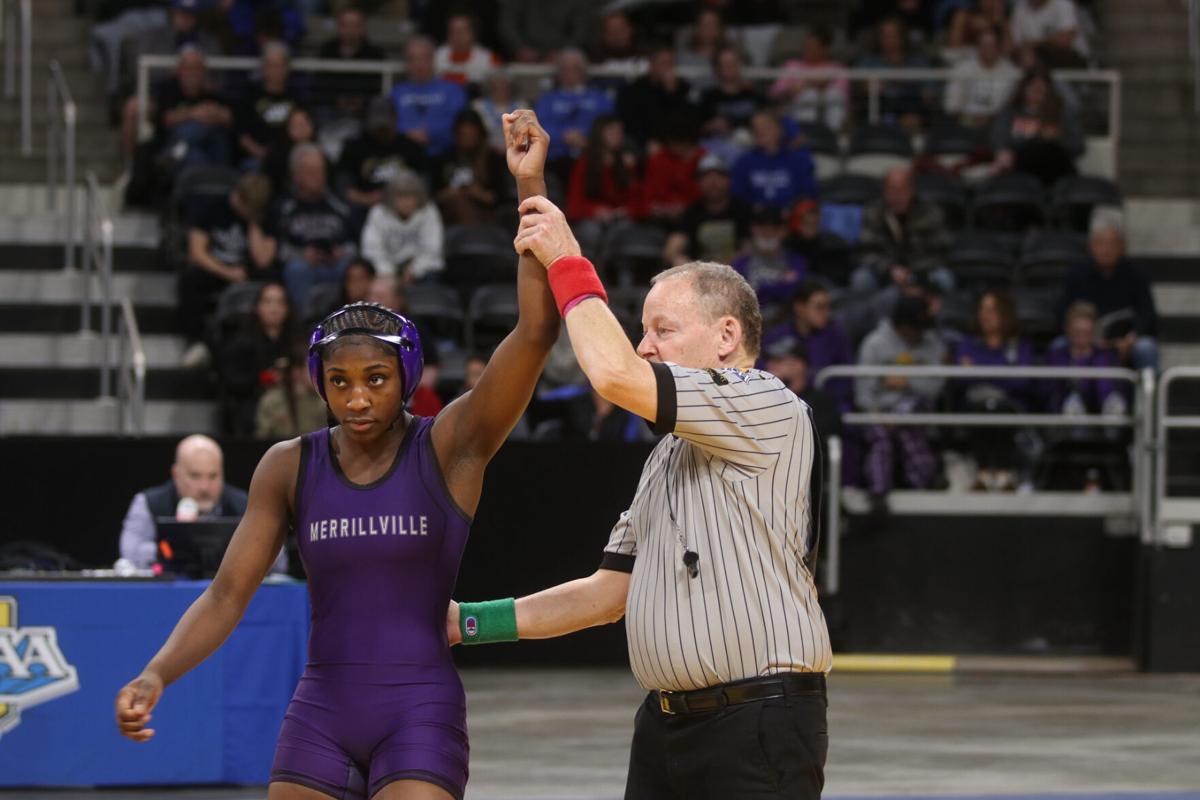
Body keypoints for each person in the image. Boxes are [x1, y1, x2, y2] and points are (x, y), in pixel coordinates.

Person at [115, 110, 563, 800]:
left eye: (376, 381)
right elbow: (229, 593)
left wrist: (529, 185)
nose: (356, 399)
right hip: (321, 709)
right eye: (339, 383)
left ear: (407, 380)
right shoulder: (289, 465)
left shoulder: (448, 444)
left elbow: (535, 333)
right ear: (319, 384)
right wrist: (157, 673)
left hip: (419, 709)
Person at [452, 203, 831, 799]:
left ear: (727, 335)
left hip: (759, 721)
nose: (644, 345)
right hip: (666, 726)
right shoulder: (666, 457)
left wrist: (566, 260)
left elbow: (613, 375)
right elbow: (606, 595)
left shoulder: (768, 403)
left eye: (662, 329)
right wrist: (465, 623)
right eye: (643, 330)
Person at [118, 434, 286, 574]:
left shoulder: (246, 505)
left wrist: (235, 553)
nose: (204, 487)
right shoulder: (149, 502)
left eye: (213, 476)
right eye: (195, 476)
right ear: (176, 474)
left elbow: (279, 561)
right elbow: (130, 553)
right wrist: (168, 551)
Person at [856, 295, 947, 508]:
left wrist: (907, 382)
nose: (920, 332)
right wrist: (877, 413)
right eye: (916, 327)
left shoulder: (932, 344)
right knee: (881, 436)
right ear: (902, 325)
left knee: (909, 415)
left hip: (918, 411)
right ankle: (884, 491)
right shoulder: (875, 344)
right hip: (880, 412)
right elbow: (863, 393)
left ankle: (919, 485)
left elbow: (936, 388)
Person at [179, 173, 278, 366]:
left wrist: (253, 224)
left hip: (247, 273)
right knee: (190, 279)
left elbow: (264, 260)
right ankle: (196, 342)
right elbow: (196, 252)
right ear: (238, 197)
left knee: (272, 279)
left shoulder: (263, 216)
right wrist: (227, 272)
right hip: (216, 269)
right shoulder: (212, 208)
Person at [953, 290, 1038, 491]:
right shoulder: (967, 344)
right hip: (974, 407)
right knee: (985, 409)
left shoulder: (1020, 346)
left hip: (1011, 407)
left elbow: (1022, 382)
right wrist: (1004, 372)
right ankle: (983, 473)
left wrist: (978, 370)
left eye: (992, 309)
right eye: (982, 309)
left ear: (1005, 313)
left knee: (999, 409)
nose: (985, 315)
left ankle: (1005, 473)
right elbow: (960, 379)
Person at [1055, 219, 1159, 372]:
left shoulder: (1136, 275)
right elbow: (1063, 312)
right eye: (1101, 244)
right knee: (1058, 345)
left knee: (1146, 347)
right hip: (1085, 336)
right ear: (1090, 246)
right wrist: (1087, 337)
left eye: (1112, 244)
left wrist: (1132, 337)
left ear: (1122, 246)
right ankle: (1060, 394)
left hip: (1126, 340)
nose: (1106, 249)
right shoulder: (1076, 275)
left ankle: (1149, 393)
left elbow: (1147, 313)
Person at [269, 143, 358, 306]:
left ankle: (349, 324)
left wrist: (341, 252)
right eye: (311, 172)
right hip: (303, 266)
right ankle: (304, 323)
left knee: (353, 270)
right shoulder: (283, 208)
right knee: (296, 269)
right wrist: (302, 255)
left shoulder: (341, 205)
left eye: (321, 171)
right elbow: (278, 250)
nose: (318, 177)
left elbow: (356, 244)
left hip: (336, 265)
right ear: (296, 175)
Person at [217, 281, 301, 436]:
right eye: (268, 302)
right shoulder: (241, 344)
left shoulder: (297, 343)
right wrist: (265, 379)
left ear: (288, 309)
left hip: (293, 398)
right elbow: (233, 382)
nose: (274, 308)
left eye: (280, 302)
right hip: (253, 400)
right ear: (257, 307)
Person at [853, 166, 953, 293]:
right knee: (861, 278)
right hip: (885, 272)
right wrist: (890, 269)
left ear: (912, 190)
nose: (897, 196)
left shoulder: (930, 213)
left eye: (902, 190)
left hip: (922, 270)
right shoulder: (873, 213)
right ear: (884, 191)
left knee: (944, 278)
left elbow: (941, 250)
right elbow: (865, 251)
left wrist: (911, 271)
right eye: (892, 191)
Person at [762, 279, 855, 411]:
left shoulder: (836, 338)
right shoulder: (776, 337)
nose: (826, 313)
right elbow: (761, 373)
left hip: (824, 407)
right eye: (819, 307)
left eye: (828, 307)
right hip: (780, 405)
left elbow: (845, 382)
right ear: (800, 307)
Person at [366, 275, 446, 418]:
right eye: (370, 295)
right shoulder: (356, 328)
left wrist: (405, 391)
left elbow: (431, 369)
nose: (373, 301)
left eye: (379, 296)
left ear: (397, 300)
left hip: (407, 394)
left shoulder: (413, 328)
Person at [989, 67, 1082, 186]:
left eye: (1041, 89)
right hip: (1021, 167)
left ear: (1049, 91)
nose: (1036, 93)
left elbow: (1078, 145)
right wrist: (1003, 151)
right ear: (1023, 89)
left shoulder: (1062, 113)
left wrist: (1057, 137)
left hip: (1056, 168)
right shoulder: (1010, 112)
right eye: (1032, 88)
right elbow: (998, 138)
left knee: (1047, 150)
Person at [336, 96, 428, 210]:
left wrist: (404, 200)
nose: (382, 129)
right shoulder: (354, 148)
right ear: (367, 120)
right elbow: (343, 188)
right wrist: (366, 199)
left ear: (395, 119)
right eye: (378, 124)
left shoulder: (411, 148)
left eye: (385, 124)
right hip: (364, 210)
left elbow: (425, 185)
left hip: (405, 210)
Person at [663, 153, 751, 266]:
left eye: (718, 177)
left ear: (728, 180)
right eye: (706, 178)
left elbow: (749, 249)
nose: (713, 183)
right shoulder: (692, 212)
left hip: (735, 273)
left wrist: (726, 267)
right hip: (699, 274)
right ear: (699, 183)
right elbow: (671, 251)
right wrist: (688, 265)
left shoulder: (741, 209)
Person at [535, 50, 615, 173]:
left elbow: (609, 126)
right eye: (564, 69)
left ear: (584, 71)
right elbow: (539, 126)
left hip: (593, 155)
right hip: (555, 158)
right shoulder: (547, 100)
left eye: (574, 69)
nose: (569, 73)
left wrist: (586, 138)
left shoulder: (601, 99)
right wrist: (564, 136)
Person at [361, 169, 446, 282]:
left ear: (419, 197)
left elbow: (432, 249)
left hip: (421, 269)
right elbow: (371, 249)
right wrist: (388, 272)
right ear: (391, 197)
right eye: (401, 196)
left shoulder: (429, 211)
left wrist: (414, 270)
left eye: (411, 196)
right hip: (385, 271)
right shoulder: (378, 213)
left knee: (432, 273)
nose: (406, 202)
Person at [390, 37, 468, 158]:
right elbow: (388, 128)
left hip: (446, 155)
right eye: (412, 59)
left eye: (424, 58)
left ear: (433, 60)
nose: (418, 64)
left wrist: (430, 134)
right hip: (404, 155)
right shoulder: (396, 93)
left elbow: (461, 127)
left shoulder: (453, 90)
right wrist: (406, 136)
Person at [1045, 300, 1126, 416]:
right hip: (1065, 412)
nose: (1082, 339)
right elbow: (1049, 391)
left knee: (1112, 400)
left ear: (1093, 332)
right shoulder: (1058, 356)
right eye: (1078, 333)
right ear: (1068, 330)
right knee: (1072, 404)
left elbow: (1115, 387)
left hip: (1101, 409)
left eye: (1086, 333)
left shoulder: (1105, 356)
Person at [854, 16, 936, 131]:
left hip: (909, 106)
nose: (889, 41)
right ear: (879, 38)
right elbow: (860, 86)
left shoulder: (918, 62)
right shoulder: (868, 61)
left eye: (894, 36)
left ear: (903, 38)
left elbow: (930, 93)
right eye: (885, 36)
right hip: (880, 105)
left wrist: (908, 82)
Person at [730, 110, 818, 211]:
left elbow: (808, 194)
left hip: (791, 218)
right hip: (756, 221)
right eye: (756, 128)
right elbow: (738, 196)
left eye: (765, 126)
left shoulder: (799, 160)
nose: (760, 131)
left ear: (780, 129)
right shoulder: (743, 162)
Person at [432, 109, 508, 225]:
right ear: (456, 135)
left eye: (471, 135)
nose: (467, 140)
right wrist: (451, 193)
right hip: (450, 213)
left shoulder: (493, 159)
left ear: (480, 134)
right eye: (463, 135)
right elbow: (433, 197)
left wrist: (478, 193)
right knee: (460, 202)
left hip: (487, 213)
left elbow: (502, 198)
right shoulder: (445, 159)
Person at [565, 116, 647, 224]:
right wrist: (594, 210)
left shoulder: (627, 163)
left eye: (620, 131)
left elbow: (639, 201)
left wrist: (626, 210)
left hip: (620, 219)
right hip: (591, 220)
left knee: (625, 226)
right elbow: (574, 204)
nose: (617, 135)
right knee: (590, 230)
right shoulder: (585, 164)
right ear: (599, 134)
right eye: (612, 131)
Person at [235, 41, 305, 166]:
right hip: (258, 158)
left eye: (279, 65)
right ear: (263, 67)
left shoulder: (297, 98)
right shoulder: (250, 97)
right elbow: (241, 134)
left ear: (287, 67)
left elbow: (305, 130)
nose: (275, 70)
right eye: (271, 65)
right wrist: (261, 154)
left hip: (291, 158)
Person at [769, 26, 850, 132]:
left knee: (833, 94)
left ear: (824, 49)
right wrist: (792, 89)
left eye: (813, 47)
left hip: (828, 110)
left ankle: (834, 134)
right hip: (796, 110)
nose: (808, 50)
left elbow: (843, 96)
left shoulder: (837, 68)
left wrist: (816, 86)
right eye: (807, 46)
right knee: (809, 95)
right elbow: (774, 92)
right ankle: (805, 133)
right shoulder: (793, 65)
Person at [616, 45, 697, 148]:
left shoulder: (683, 88)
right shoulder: (633, 90)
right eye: (664, 63)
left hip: (678, 143)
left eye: (671, 64)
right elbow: (629, 124)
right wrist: (646, 141)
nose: (668, 68)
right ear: (651, 65)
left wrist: (671, 93)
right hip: (644, 143)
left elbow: (687, 120)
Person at [314, 5, 385, 121]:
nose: (350, 30)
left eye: (355, 25)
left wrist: (361, 101)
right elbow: (319, 85)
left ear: (363, 28)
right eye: (346, 25)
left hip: (364, 109)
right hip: (332, 107)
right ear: (339, 27)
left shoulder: (375, 54)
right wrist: (336, 100)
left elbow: (378, 88)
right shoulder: (327, 51)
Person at [731, 205, 807, 313]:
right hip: (749, 322)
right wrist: (780, 285)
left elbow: (793, 293)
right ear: (753, 229)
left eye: (774, 227)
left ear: (784, 231)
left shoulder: (796, 262)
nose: (767, 232)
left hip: (786, 322)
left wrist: (756, 288)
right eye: (762, 226)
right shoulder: (740, 263)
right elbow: (737, 297)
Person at [943, 25, 1020, 128]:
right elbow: (951, 106)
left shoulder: (1012, 72)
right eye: (984, 45)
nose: (988, 49)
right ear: (977, 47)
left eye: (992, 45)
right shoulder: (961, 69)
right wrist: (969, 120)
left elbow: (1009, 106)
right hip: (963, 123)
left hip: (998, 124)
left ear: (999, 47)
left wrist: (989, 119)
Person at [642, 115, 704, 224]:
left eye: (682, 143)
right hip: (661, 215)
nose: (677, 148)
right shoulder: (658, 160)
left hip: (695, 214)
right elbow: (650, 194)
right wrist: (663, 208)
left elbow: (706, 195)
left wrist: (687, 208)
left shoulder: (703, 158)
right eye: (673, 143)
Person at [255, 351, 330, 439]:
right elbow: (262, 436)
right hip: (279, 450)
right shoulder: (271, 401)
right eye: (311, 368)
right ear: (296, 372)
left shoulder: (322, 402)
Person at [498, 0, 595, 63]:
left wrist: (563, 53)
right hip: (524, 58)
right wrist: (519, 48)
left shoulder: (578, 3)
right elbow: (507, 25)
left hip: (564, 59)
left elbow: (581, 31)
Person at [1010, 0, 1089, 68]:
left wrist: (1033, 44)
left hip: (1073, 63)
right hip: (1037, 66)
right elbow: (1016, 46)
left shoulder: (1063, 4)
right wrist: (1051, 40)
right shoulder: (1020, 9)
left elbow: (1065, 41)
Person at [435, 13, 501, 86]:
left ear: (473, 33)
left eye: (462, 30)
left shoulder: (489, 59)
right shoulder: (434, 56)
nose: (457, 35)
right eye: (453, 30)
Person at [472, 70, 526, 152]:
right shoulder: (478, 107)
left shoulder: (521, 106)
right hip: (485, 152)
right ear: (490, 88)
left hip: (516, 150)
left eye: (505, 87)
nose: (502, 90)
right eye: (497, 87)